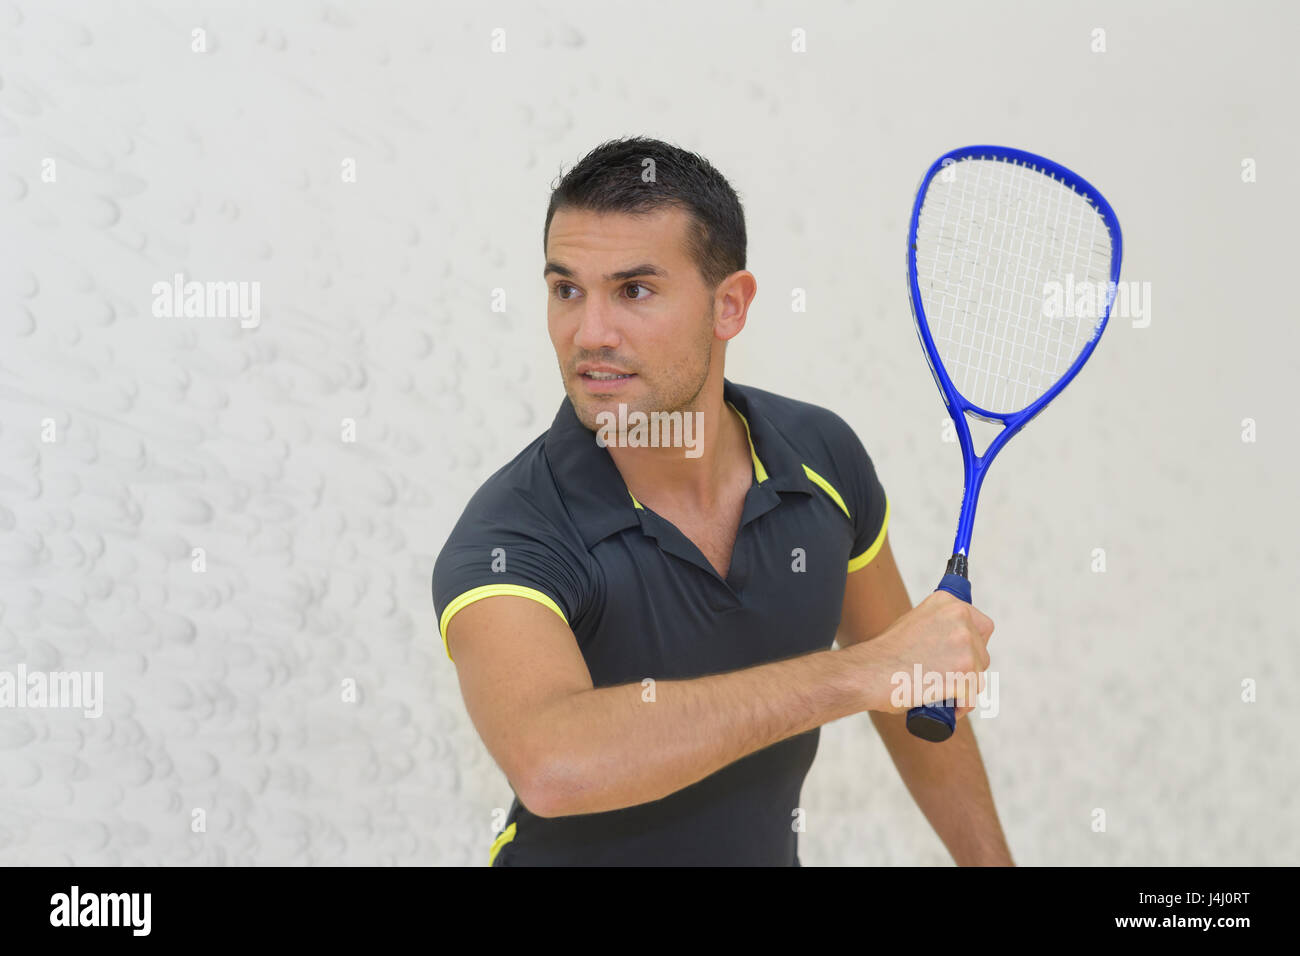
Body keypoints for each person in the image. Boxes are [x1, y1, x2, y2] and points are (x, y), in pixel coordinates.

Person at [432, 136, 1011, 866]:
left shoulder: (823, 461)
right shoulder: (512, 533)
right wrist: (857, 673)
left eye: (634, 290)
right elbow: (553, 765)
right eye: (566, 289)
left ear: (729, 305)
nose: (589, 333)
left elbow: (913, 693)